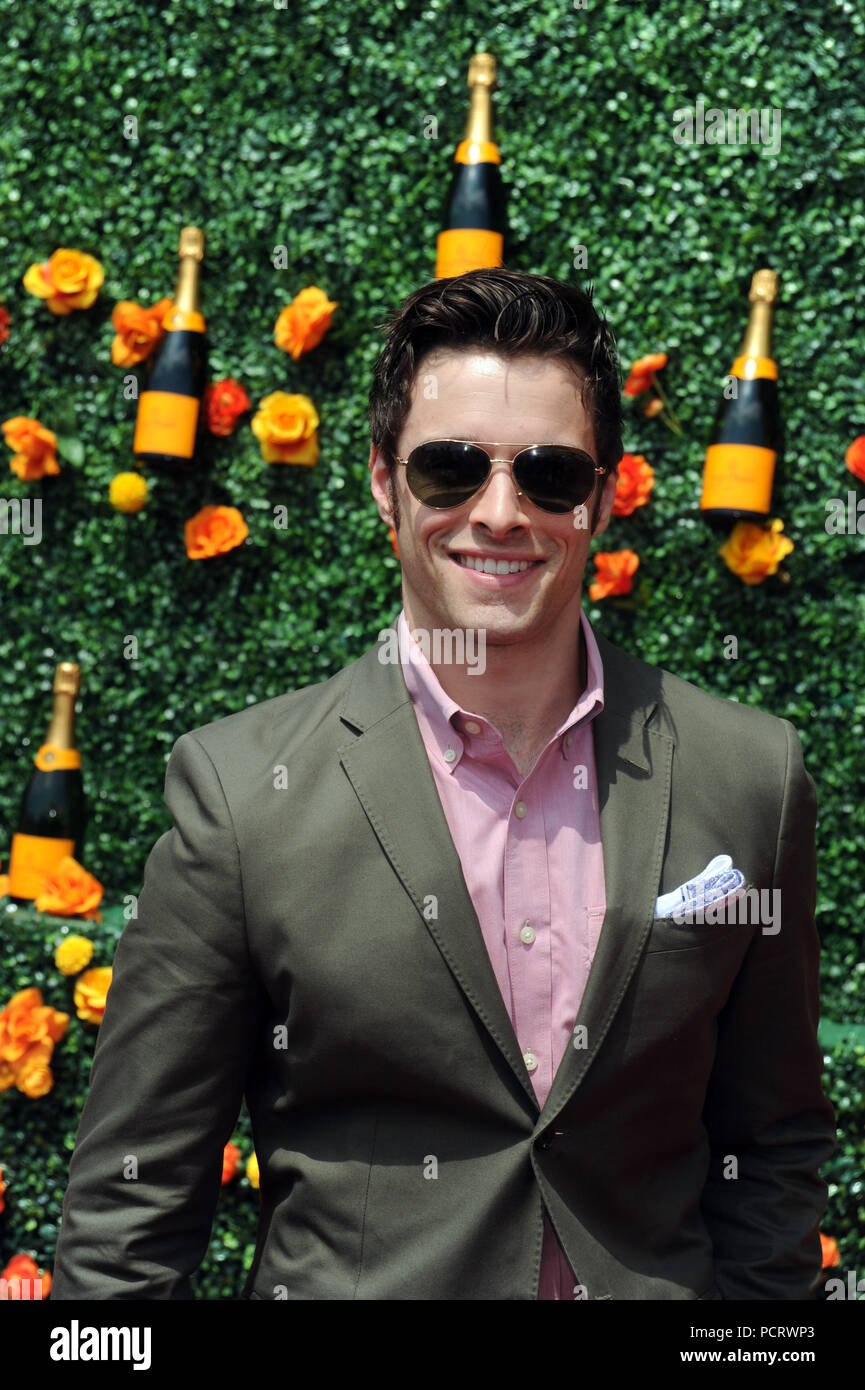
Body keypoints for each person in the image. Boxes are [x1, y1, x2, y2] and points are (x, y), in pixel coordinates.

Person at [51, 268, 835, 1301]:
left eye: (549, 473)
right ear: (383, 481)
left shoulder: (749, 775)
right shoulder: (243, 793)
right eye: (450, 468)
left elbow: (770, 1145)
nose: (500, 512)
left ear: (601, 496)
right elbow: (129, 1213)